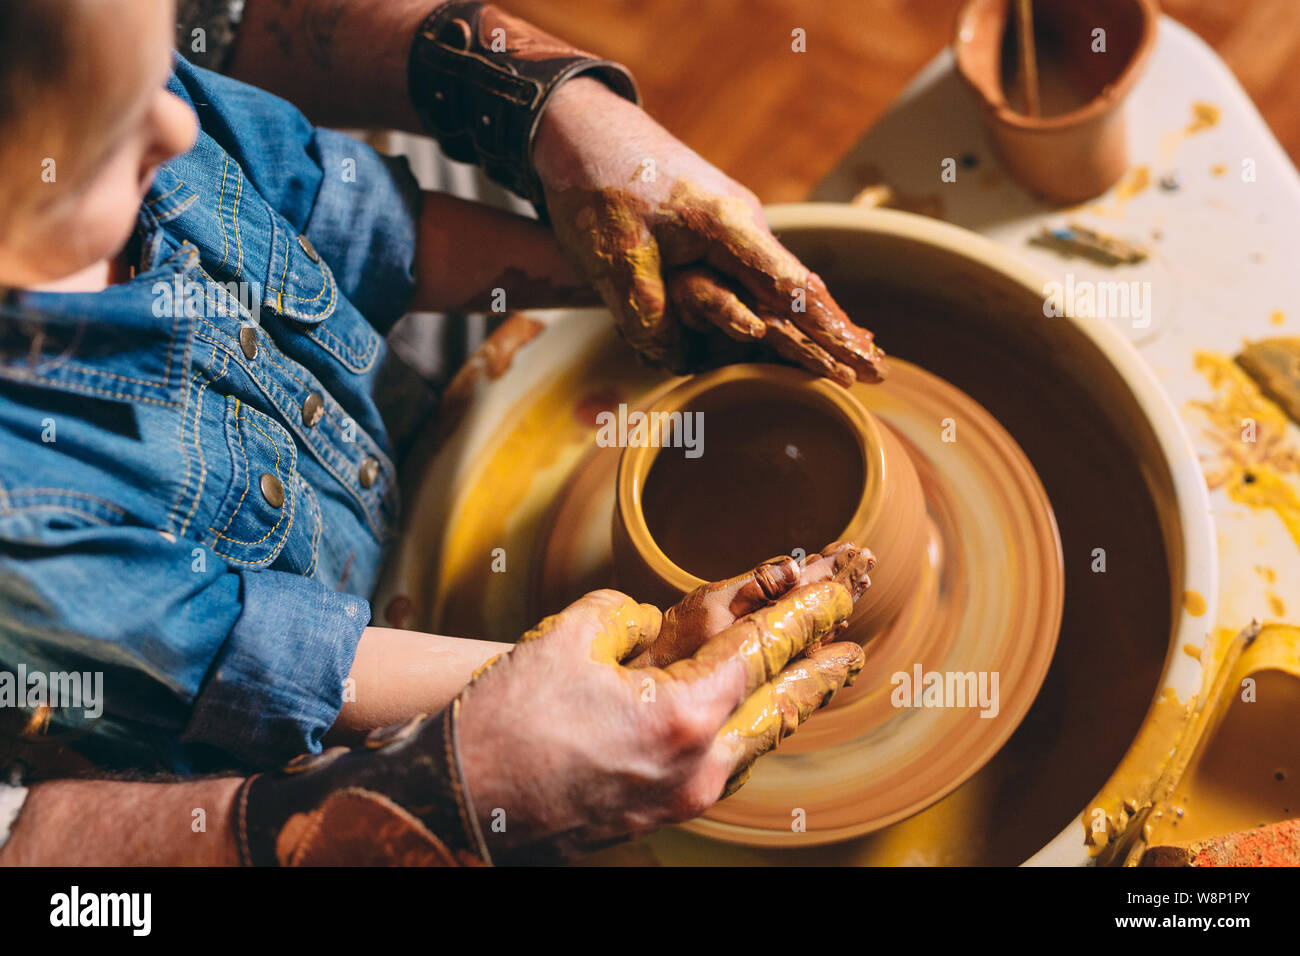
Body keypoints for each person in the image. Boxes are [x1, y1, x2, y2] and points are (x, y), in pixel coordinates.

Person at [0, 0, 881, 865]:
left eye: (164, 73)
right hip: (250, 729)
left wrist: (624, 262)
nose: (176, 124)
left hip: (358, 451)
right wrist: (633, 679)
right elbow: (283, 667)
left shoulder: (133, 115)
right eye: (115, 131)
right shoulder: (23, 524)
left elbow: (355, 224)